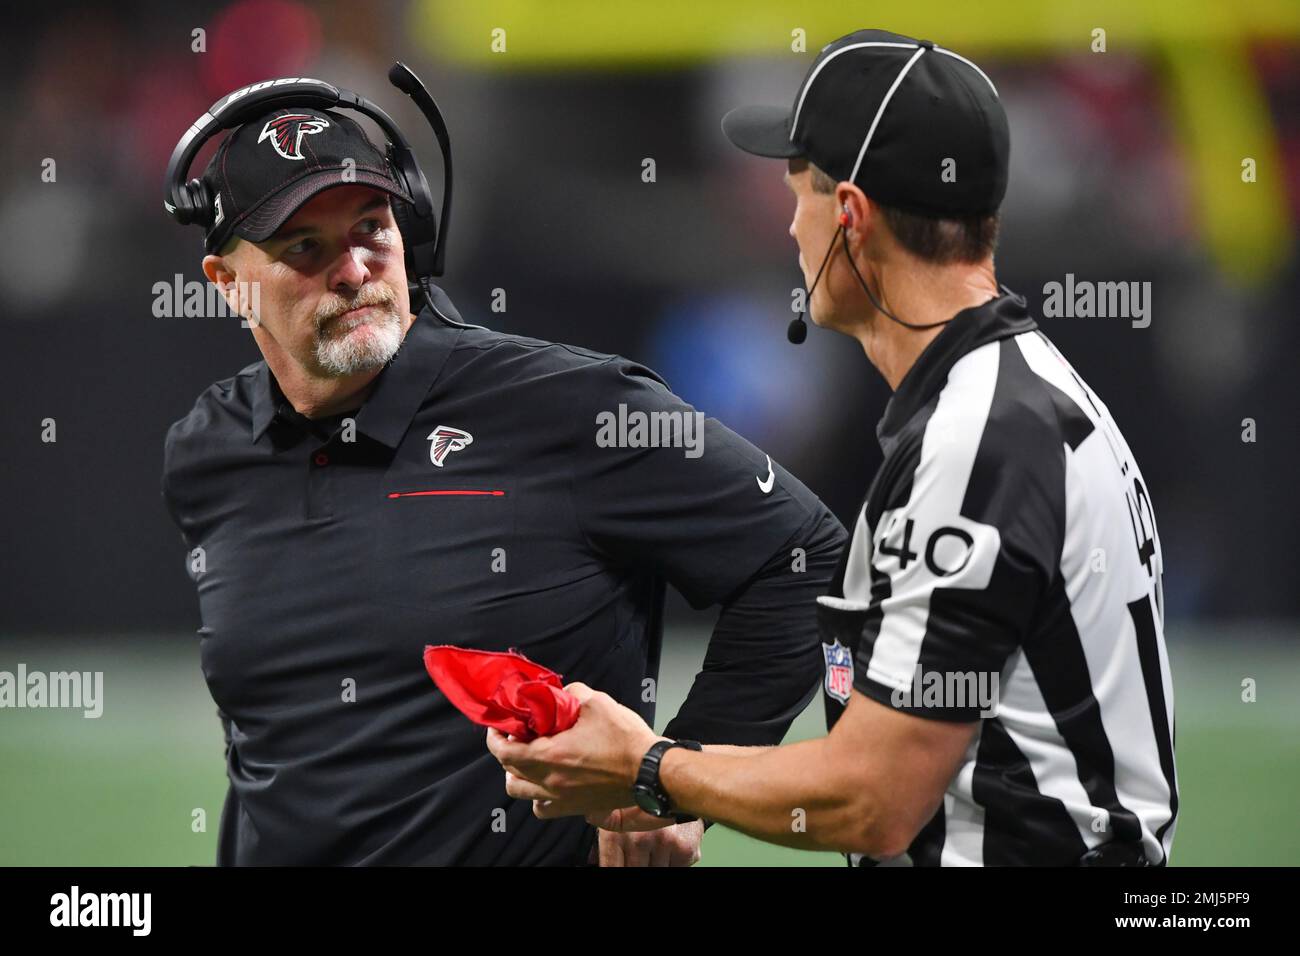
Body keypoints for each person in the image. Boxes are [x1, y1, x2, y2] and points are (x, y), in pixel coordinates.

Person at [488, 29, 1179, 866]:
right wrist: (675, 776)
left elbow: (874, 799)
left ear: (849, 215)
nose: (789, 225)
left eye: (800, 193)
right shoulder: (1024, 394)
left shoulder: (978, 444)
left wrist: (650, 769)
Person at [160, 94, 846, 865]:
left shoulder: (564, 406)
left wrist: (679, 784)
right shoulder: (208, 451)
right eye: (304, 248)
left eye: (370, 229)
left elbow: (803, 552)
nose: (353, 269)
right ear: (228, 282)